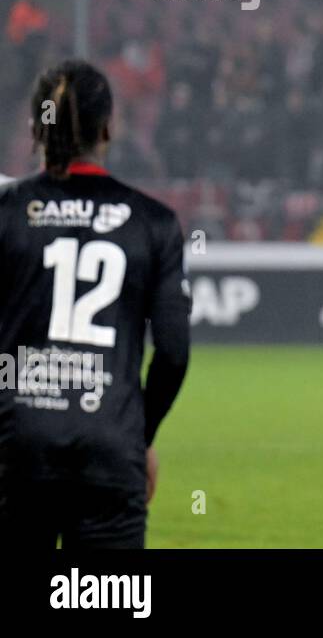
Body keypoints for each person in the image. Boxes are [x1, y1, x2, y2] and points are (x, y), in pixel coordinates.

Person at [0, 59, 191, 547]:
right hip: (109, 450)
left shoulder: (9, 211)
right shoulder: (154, 223)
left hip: (18, 449)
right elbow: (173, 353)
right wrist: (138, 435)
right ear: (109, 127)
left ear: (34, 129)